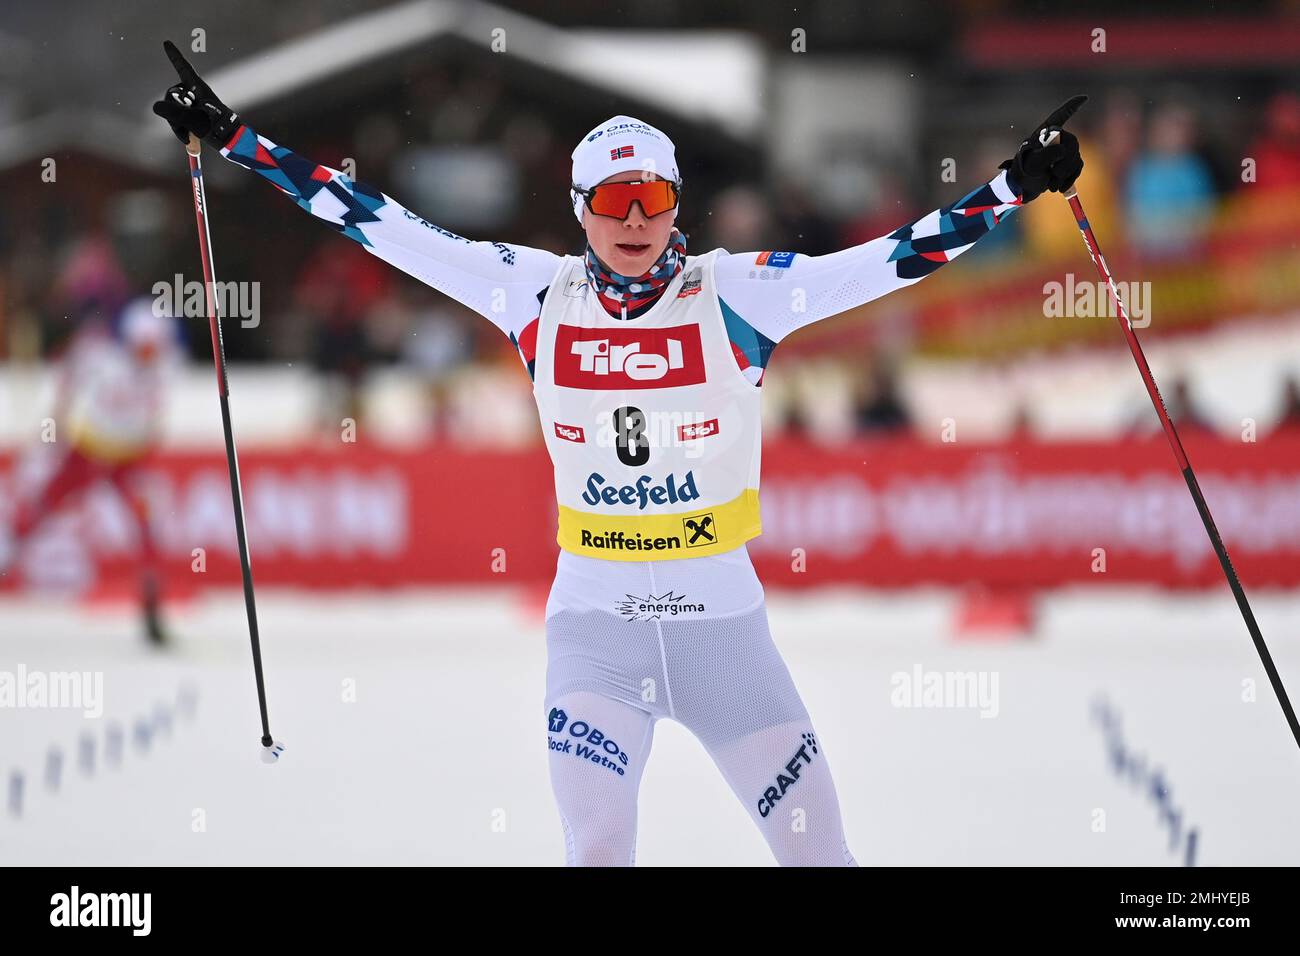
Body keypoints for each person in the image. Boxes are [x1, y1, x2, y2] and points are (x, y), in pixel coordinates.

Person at [153, 41, 1083, 866]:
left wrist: (1012, 184)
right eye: (613, 200)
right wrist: (235, 140)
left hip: (726, 639)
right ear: (581, 209)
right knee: (596, 849)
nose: (635, 219)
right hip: (596, 633)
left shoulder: (737, 294)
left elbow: (890, 258)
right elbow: (377, 222)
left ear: (677, 203)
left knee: (819, 854)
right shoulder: (530, 292)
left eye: (655, 198)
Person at [5, 296, 179, 644]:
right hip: (88, 451)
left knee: (147, 524)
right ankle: (8, 550)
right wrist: (55, 424)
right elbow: (68, 377)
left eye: (154, 348)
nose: (148, 355)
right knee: (43, 507)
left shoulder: (166, 367)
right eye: (143, 348)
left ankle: (151, 606)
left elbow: (155, 416)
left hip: (128, 459)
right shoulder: (101, 358)